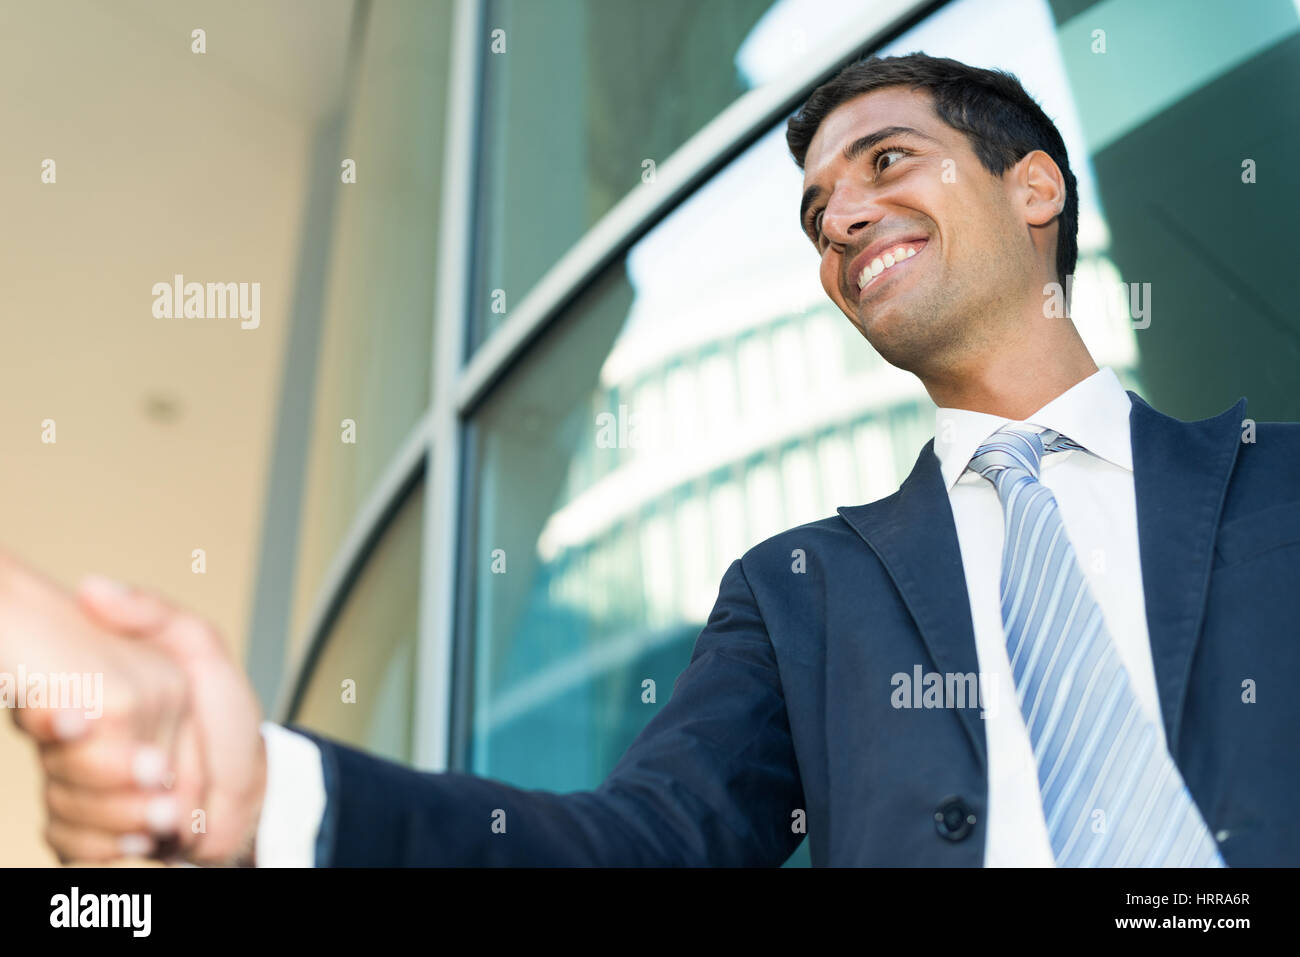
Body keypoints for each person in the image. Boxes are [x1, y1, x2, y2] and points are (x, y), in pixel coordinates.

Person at [6, 52, 1297, 867]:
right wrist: (275, 800)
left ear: (1034, 189)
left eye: (886, 160)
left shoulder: (1277, 487)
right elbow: (641, 849)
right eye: (815, 210)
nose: (840, 216)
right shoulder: (803, 590)